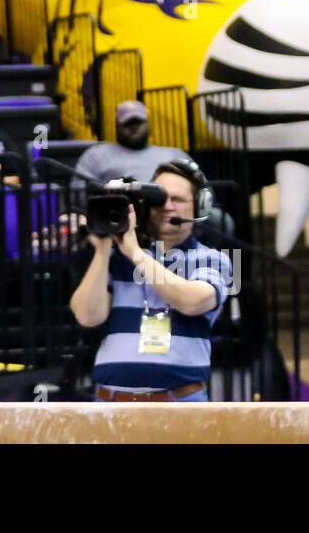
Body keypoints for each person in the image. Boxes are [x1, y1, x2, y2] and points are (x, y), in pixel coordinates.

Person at [70, 159, 233, 402]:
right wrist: (103, 248)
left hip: (178, 404)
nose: (167, 206)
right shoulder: (115, 257)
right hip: (110, 404)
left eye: (177, 199)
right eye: (159, 198)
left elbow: (193, 301)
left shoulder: (212, 259)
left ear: (200, 207)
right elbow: (87, 316)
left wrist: (136, 254)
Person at [73, 100, 194, 186]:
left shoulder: (174, 154)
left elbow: (200, 188)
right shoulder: (96, 155)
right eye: (128, 123)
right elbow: (77, 193)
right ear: (117, 127)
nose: (134, 128)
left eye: (138, 122)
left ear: (148, 125)